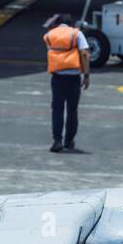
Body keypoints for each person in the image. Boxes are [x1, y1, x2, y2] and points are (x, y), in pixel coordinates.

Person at [43, 13, 90, 152]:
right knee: (72, 110)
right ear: (71, 23)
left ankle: (57, 141)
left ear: (58, 23)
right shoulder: (77, 34)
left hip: (57, 77)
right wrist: (86, 75)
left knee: (57, 110)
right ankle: (69, 141)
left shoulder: (50, 35)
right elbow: (85, 54)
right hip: (73, 77)